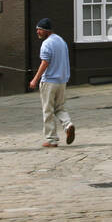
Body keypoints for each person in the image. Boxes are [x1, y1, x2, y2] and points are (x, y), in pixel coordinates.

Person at [29, 17, 74, 148]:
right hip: (62, 81)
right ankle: (68, 125)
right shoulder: (61, 41)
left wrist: (35, 79)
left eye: (39, 30)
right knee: (60, 107)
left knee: (47, 110)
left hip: (49, 81)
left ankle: (51, 139)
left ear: (46, 30)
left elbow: (45, 62)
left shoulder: (47, 43)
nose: (37, 32)